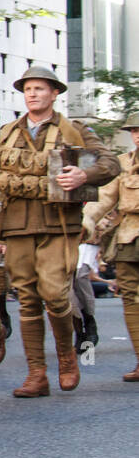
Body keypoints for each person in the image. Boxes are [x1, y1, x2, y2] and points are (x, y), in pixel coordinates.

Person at [0, 66, 118, 397]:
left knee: (56, 294)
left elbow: (109, 165)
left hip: (58, 224)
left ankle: (66, 359)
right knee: (27, 299)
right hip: (17, 225)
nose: (32, 94)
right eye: (28, 89)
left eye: (39, 89)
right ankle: (37, 374)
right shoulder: (7, 132)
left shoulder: (74, 131)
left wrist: (84, 175)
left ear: (54, 93)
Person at [85, 125, 139, 380]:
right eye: (135, 131)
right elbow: (105, 197)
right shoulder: (122, 163)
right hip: (129, 235)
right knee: (130, 297)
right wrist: (88, 220)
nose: (138, 135)